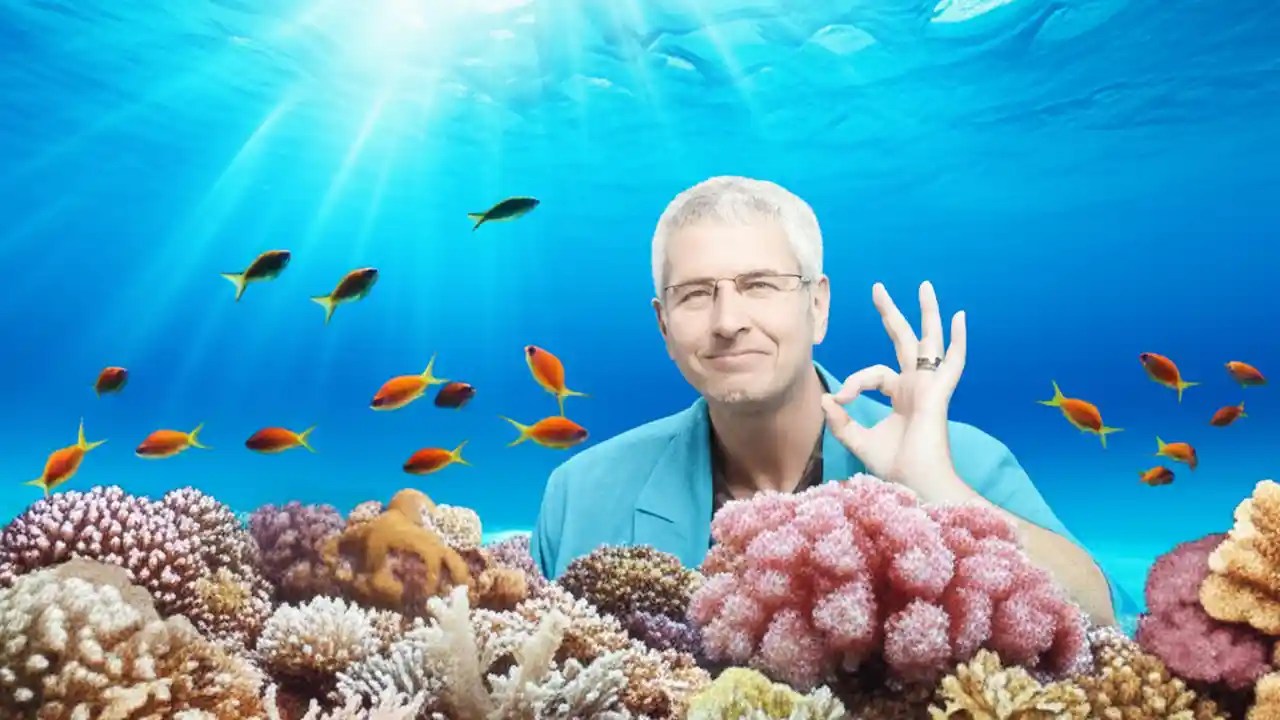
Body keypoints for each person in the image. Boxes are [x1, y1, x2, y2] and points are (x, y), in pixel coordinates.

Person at [530, 175, 1136, 630]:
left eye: (758, 285)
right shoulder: (579, 494)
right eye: (694, 295)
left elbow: (1108, 622)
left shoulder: (964, 461)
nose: (728, 321)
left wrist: (936, 485)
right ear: (663, 326)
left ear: (818, 306)